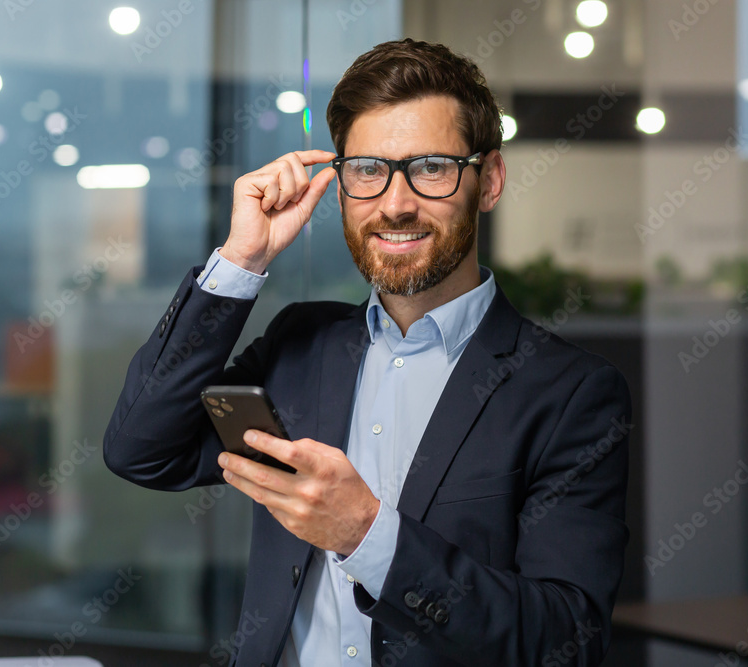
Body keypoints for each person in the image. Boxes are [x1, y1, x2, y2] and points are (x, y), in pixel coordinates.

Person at [104, 37, 631, 666]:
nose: (395, 203)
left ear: (488, 181)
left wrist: (367, 536)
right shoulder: (301, 346)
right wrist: (240, 263)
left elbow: (565, 641)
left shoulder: (571, 392)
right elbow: (142, 449)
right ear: (342, 180)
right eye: (368, 170)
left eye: (431, 167)